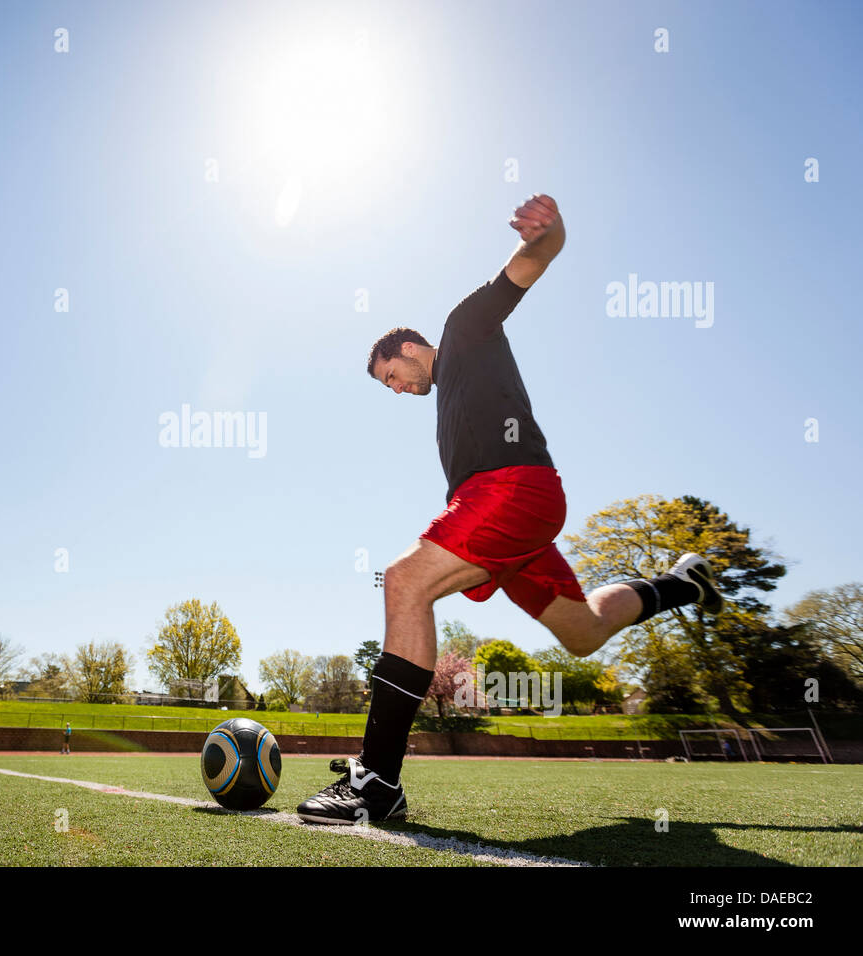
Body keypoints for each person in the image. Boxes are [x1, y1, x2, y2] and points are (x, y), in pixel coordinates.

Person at [296, 194, 724, 825]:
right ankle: (680, 583)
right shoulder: (451, 397)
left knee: (406, 583)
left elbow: (526, 268)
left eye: (392, 375)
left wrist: (547, 234)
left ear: (411, 347)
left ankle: (378, 781)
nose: (398, 389)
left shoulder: (461, 329)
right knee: (582, 633)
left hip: (510, 491)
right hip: (515, 512)